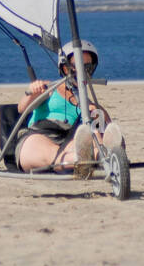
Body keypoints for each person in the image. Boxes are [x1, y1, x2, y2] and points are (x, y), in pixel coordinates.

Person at [15, 39, 121, 176]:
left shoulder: (91, 105)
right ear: (65, 68)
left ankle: (102, 154)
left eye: (87, 67)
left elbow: (106, 125)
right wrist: (31, 91)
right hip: (38, 136)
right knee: (54, 153)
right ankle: (81, 159)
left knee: (95, 115)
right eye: (78, 66)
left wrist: (99, 114)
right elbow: (21, 108)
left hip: (70, 140)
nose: (83, 72)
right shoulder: (49, 88)